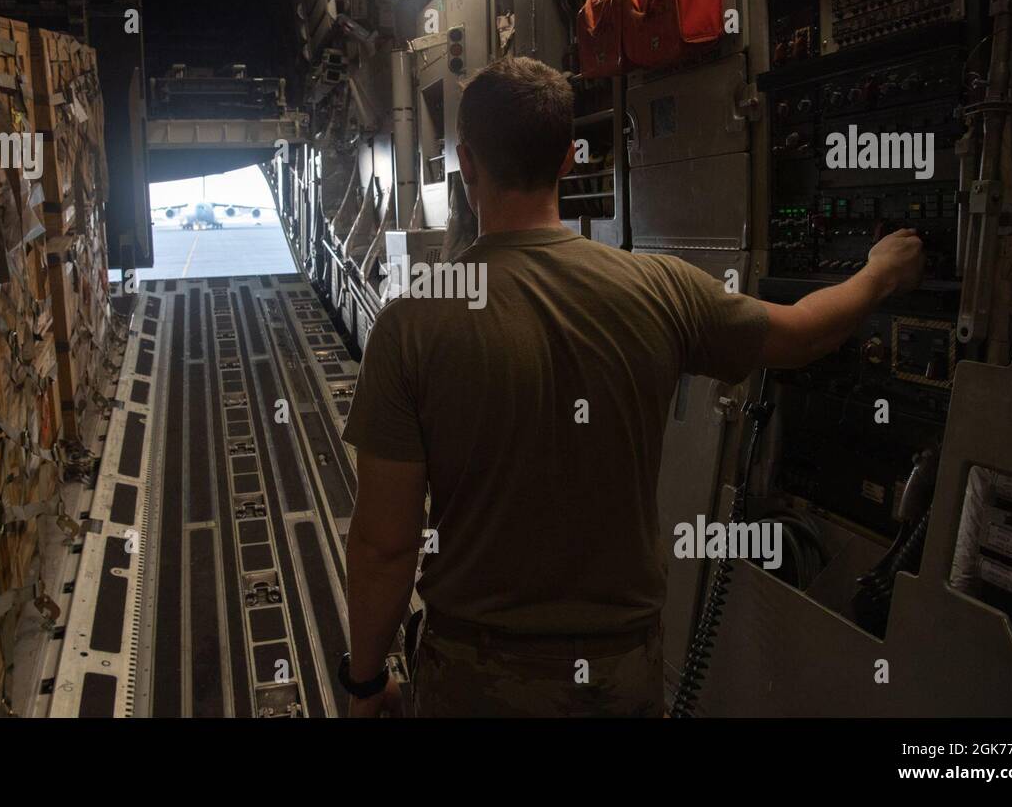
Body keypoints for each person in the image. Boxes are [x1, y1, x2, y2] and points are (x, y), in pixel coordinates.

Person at [338, 56, 924, 717]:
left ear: (467, 163)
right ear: (567, 159)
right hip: (620, 674)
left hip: (477, 674)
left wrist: (364, 684)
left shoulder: (413, 321)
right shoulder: (661, 287)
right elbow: (803, 333)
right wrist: (879, 271)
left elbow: (385, 545)